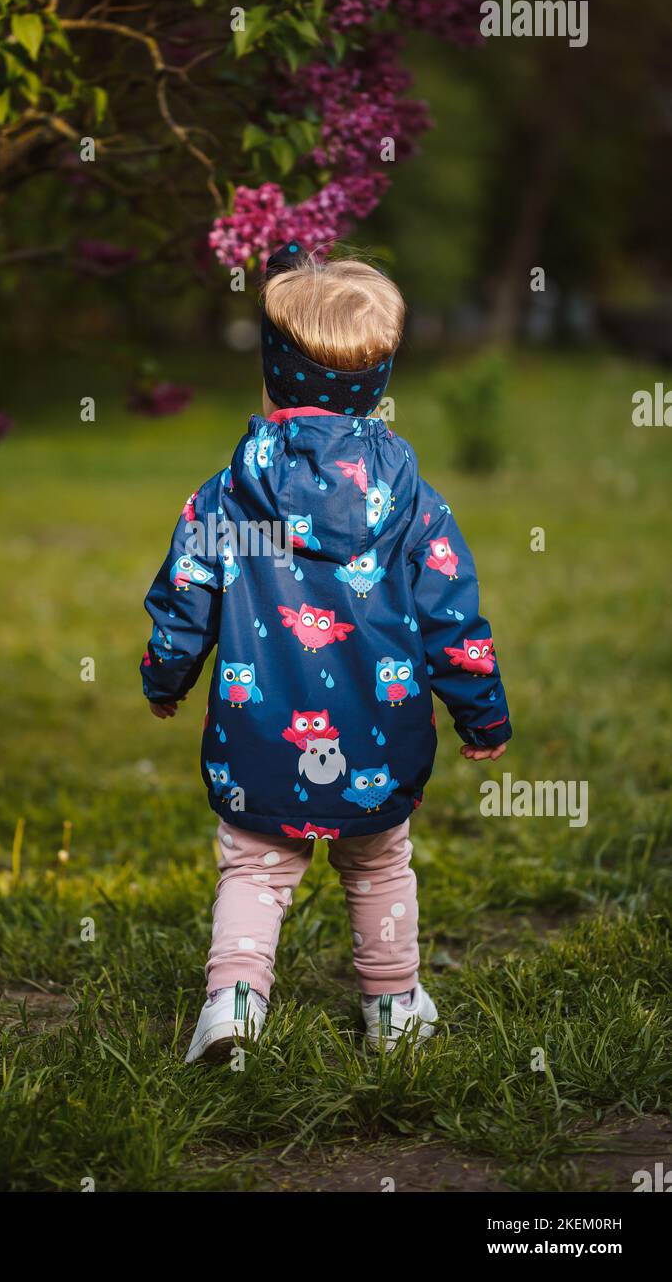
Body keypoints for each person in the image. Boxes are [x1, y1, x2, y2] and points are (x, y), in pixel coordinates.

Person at [140, 241, 511, 1063]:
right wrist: (481, 712)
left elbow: (184, 597)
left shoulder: (225, 492)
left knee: (255, 872)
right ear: (376, 383)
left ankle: (232, 1005)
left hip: (258, 734)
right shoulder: (413, 498)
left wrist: (163, 676)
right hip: (380, 738)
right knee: (379, 868)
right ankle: (392, 1008)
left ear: (273, 372)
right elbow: (453, 615)